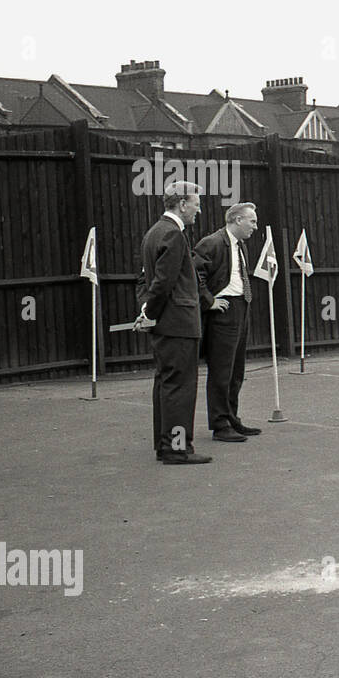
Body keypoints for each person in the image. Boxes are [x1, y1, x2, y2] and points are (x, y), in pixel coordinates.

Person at [135, 181, 212, 465]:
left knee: (166, 385)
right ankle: (177, 448)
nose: (199, 210)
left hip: (164, 325)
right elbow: (164, 283)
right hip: (178, 324)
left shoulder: (153, 234)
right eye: (196, 204)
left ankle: (165, 445)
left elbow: (146, 280)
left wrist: (146, 310)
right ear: (182, 204)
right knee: (181, 387)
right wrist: (151, 312)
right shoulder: (174, 235)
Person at [194, 202, 262, 442]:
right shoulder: (211, 243)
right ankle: (220, 424)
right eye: (252, 221)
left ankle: (232, 417)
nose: (255, 226)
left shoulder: (240, 245)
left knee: (236, 370)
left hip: (240, 307)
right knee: (222, 370)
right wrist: (208, 301)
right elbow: (194, 273)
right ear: (237, 220)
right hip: (223, 311)